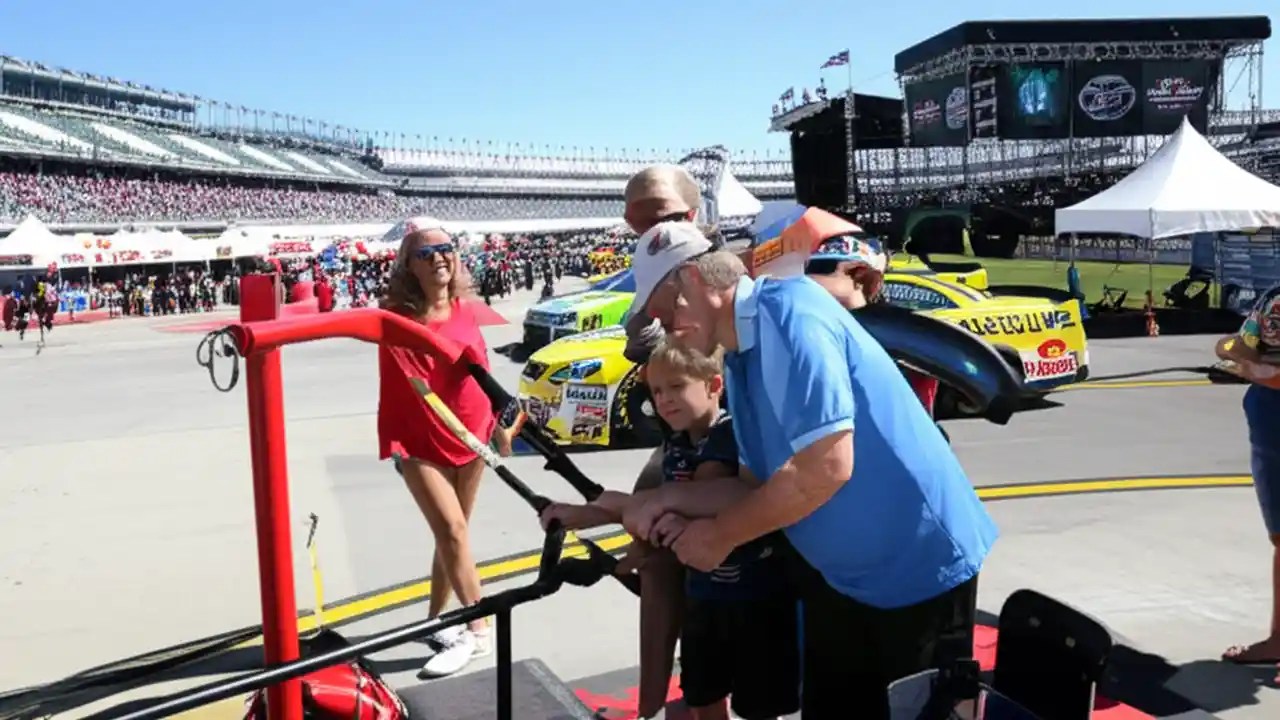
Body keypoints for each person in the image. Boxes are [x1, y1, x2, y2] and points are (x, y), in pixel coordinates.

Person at [624, 221, 999, 718]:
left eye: (663, 309)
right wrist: (662, 501)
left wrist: (719, 536)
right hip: (844, 582)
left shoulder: (792, 312)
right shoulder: (740, 359)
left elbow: (826, 466)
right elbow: (755, 486)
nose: (663, 325)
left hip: (917, 572)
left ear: (695, 281)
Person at [540, 340, 797, 720]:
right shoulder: (677, 443)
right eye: (657, 391)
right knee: (702, 696)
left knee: (757, 705)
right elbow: (654, 510)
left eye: (676, 387)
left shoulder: (728, 436)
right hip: (704, 596)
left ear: (714, 386)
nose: (664, 400)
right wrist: (586, 517)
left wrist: (593, 513)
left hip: (753, 598)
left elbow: (686, 501)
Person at [378, 227, 515, 678]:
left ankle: (434, 619)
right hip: (417, 440)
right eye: (427, 253)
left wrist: (500, 425)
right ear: (409, 265)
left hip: (471, 433)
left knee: (451, 535)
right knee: (454, 531)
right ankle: (477, 631)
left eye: (446, 249)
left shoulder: (466, 310)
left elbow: (481, 371)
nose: (440, 258)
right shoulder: (392, 316)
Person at [803, 234, 944, 426]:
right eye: (811, 268)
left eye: (825, 269)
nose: (812, 278)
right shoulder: (804, 328)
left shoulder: (902, 337)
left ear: (861, 276)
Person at [1217, 283, 1280, 678]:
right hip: (1269, 423)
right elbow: (1236, 344)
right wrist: (1245, 359)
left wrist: (1253, 366)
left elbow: (1244, 356)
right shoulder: (1274, 297)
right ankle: (1278, 638)